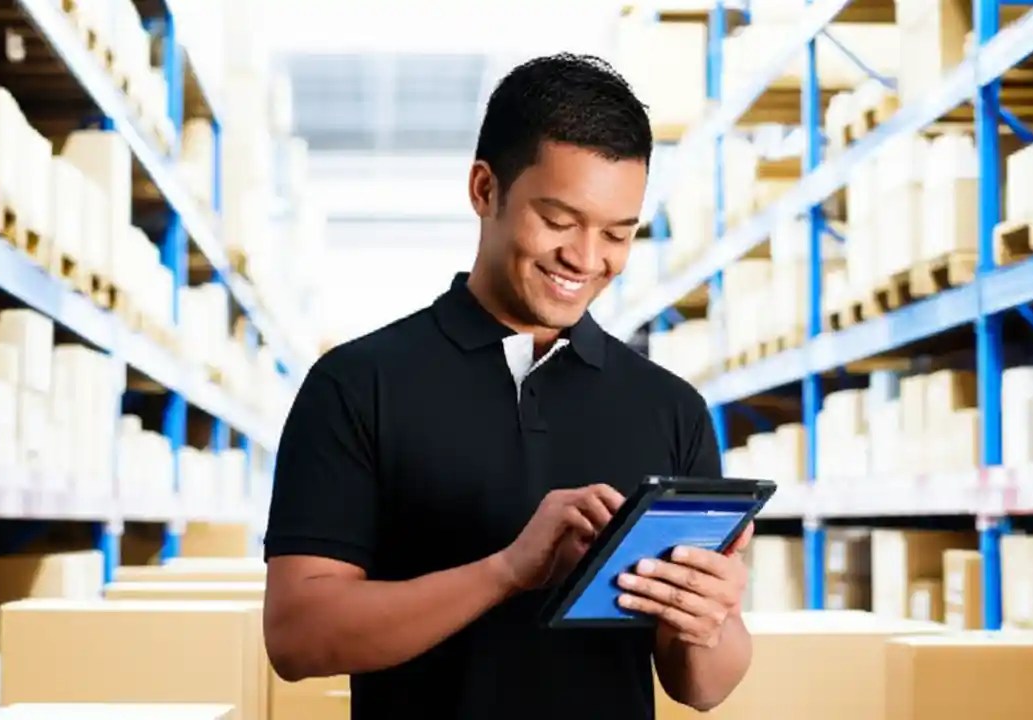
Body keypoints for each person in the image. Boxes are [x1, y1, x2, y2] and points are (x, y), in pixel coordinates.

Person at [262, 53, 753, 720]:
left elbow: (701, 687)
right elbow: (296, 637)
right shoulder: (357, 385)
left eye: (617, 233)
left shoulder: (672, 409)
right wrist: (508, 571)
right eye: (558, 220)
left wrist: (706, 618)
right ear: (484, 189)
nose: (585, 258)